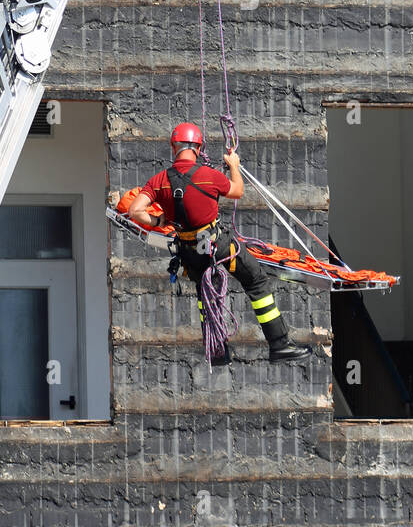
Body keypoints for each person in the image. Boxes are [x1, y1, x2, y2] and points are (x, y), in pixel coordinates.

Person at [128, 122, 311, 362]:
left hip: (188, 251)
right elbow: (236, 191)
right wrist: (234, 166)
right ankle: (279, 344)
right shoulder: (209, 175)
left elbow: (134, 210)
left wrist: (157, 220)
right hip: (217, 245)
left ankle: (217, 352)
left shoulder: (159, 181)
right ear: (198, 146)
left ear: (174, 147)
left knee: (206, 294)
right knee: (256, 281)